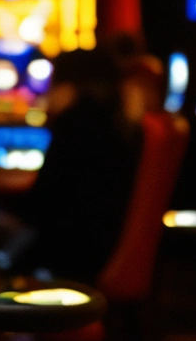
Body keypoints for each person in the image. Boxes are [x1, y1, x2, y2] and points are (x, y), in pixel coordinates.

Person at [20, 45, 139, 282]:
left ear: (68, 85)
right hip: (108, 244)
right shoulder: (118, 120)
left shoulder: (77, 121)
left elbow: (40, 204)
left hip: (71, 255)